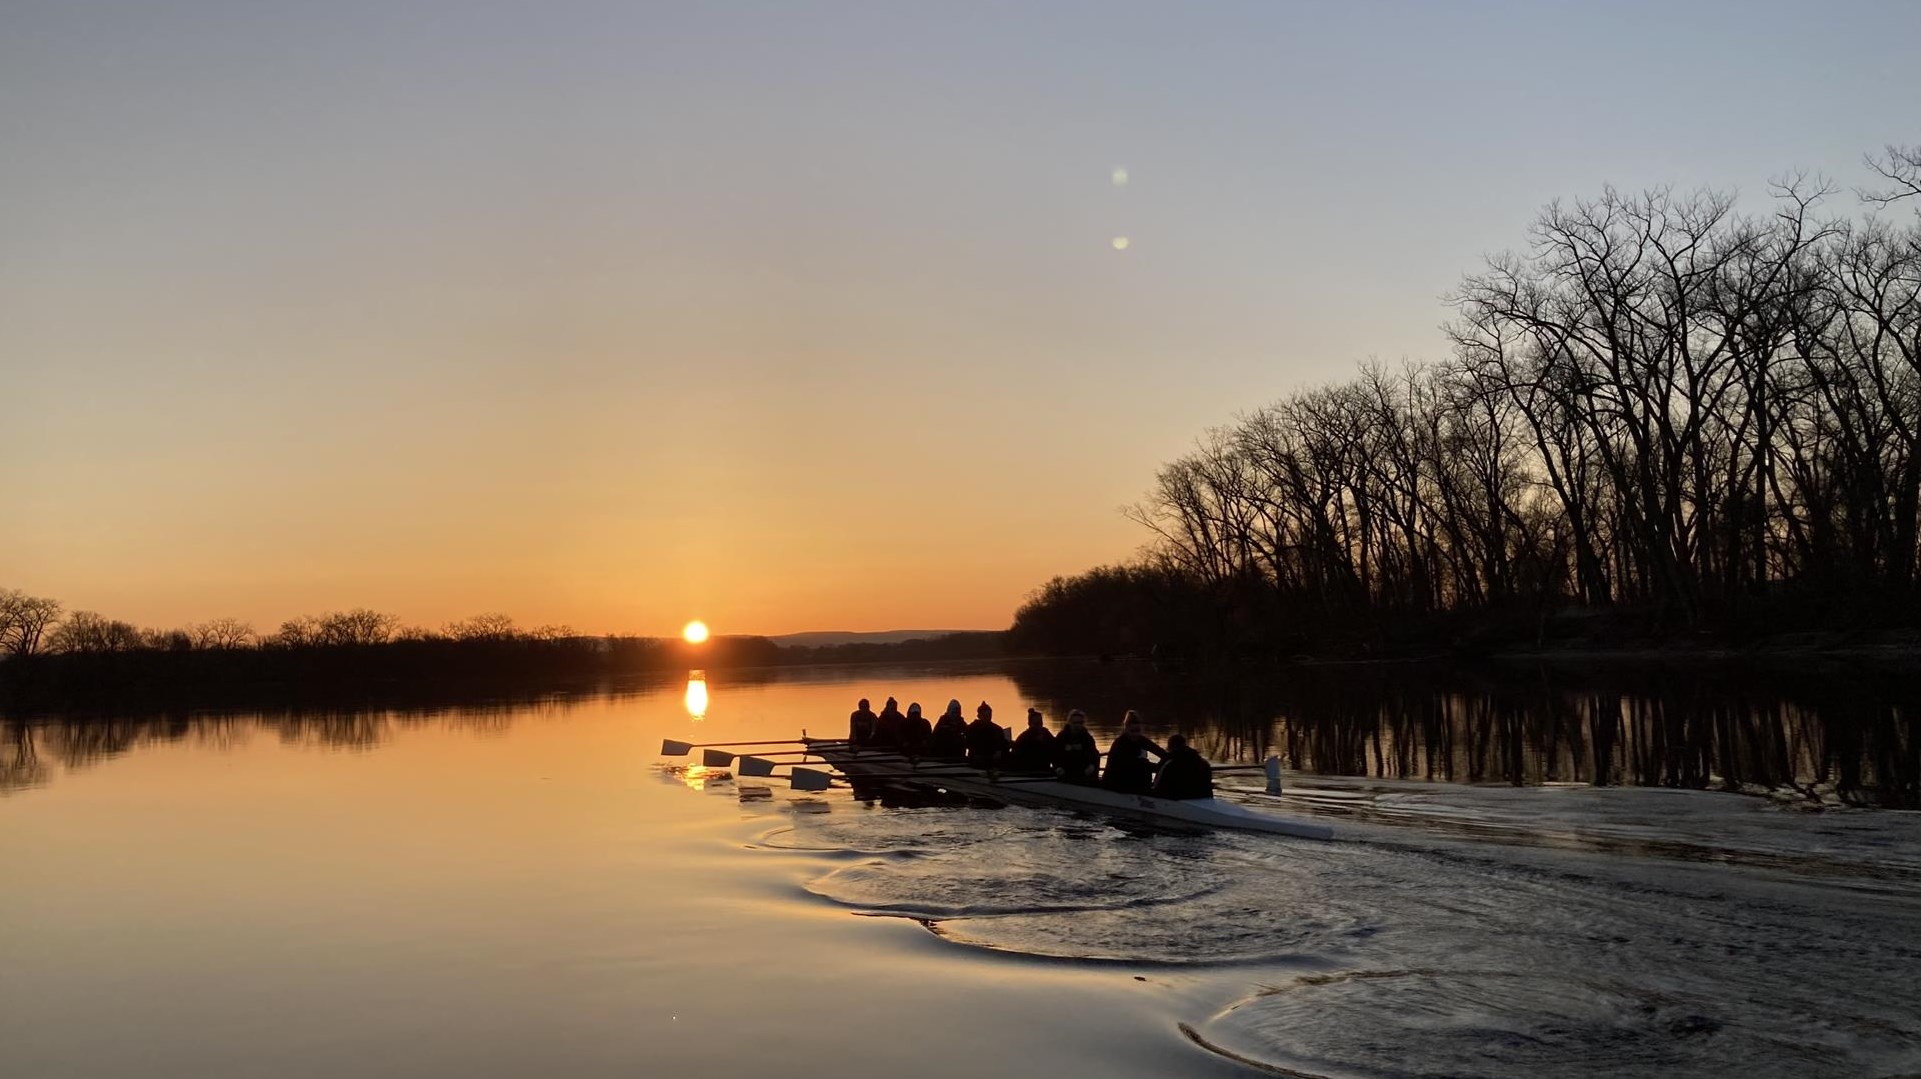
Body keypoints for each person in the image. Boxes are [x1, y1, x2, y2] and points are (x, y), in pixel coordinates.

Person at [1101, 710, 1165, 795]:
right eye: (1132, 731)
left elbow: (1162, 753)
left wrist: (1167, 762)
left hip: (1130, 777)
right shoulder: (1120, 743)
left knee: (1146, 765)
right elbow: (1131, 764)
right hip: (1116, 781)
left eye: (1137, 731)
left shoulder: (1141, 740)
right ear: (1126, 729)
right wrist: (1157, 767)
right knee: (1144, 765)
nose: (1135, 734)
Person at [1152, 734, 1214, 800]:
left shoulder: (1169, 762)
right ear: (1184, 744)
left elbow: (1157, 786)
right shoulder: (1203, 762)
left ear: (1170, 746)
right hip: (1205, 795)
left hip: (1178, 798)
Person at [1052, 709, 1101, 784]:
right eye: (1075, 723)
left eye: (1080, 723)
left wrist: (1092, 766)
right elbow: (1054, 755)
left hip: (1083, 774)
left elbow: (1095, 755)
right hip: (1065, 774)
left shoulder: (1087, 738)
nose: (1077, 725)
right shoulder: (1061, 737)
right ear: (1070, 723)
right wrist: (1057, 767)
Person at [1007, 708, 1056, 773]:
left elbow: (1055, 747)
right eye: (1036, 724)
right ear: (1029, 724)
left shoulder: (1046, 733)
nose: (1039, 726)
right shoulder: (1023, 737)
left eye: (1040, 723)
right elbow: (1016, 756)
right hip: (1027, 771)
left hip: (1045, 769)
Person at [965, 701, 1004, 770]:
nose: (987, 718)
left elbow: (1001, 745)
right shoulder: (971, 728)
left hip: (993, 760)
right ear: (979, 716)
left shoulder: (997, 729)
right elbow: (968, 744)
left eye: (989, 716)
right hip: (977, 760)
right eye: (985, 716)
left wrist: (999, 752)